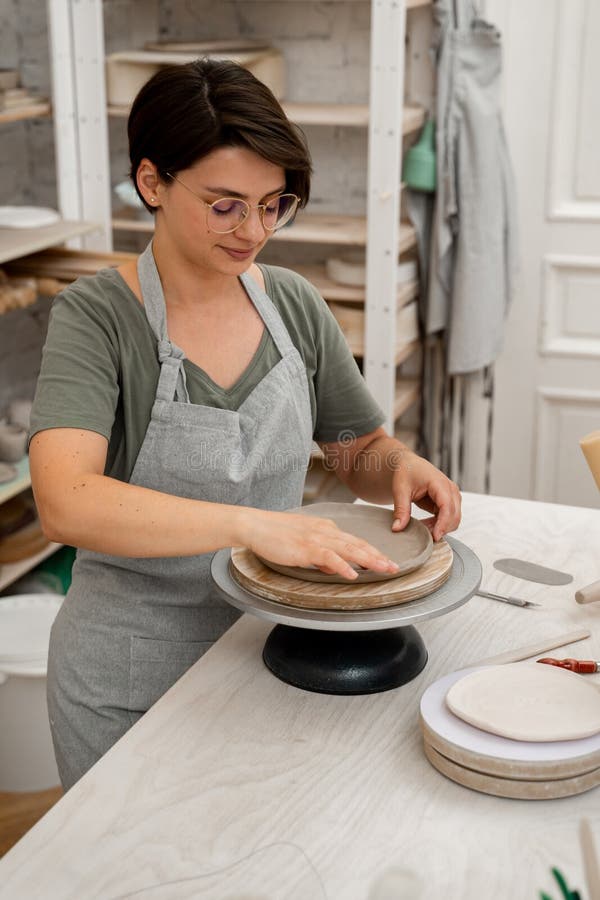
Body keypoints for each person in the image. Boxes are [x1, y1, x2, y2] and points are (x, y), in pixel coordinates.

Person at [29, 59, 461, 791]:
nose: (253, 230)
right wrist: (252, 525)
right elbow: (65, 501)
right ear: (152, 183)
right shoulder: (96, 318)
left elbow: (353, 448)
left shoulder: (292, 303)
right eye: (225, 204)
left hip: (266, 651)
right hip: (130, 670)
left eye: (273, 204)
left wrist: (399, 469)